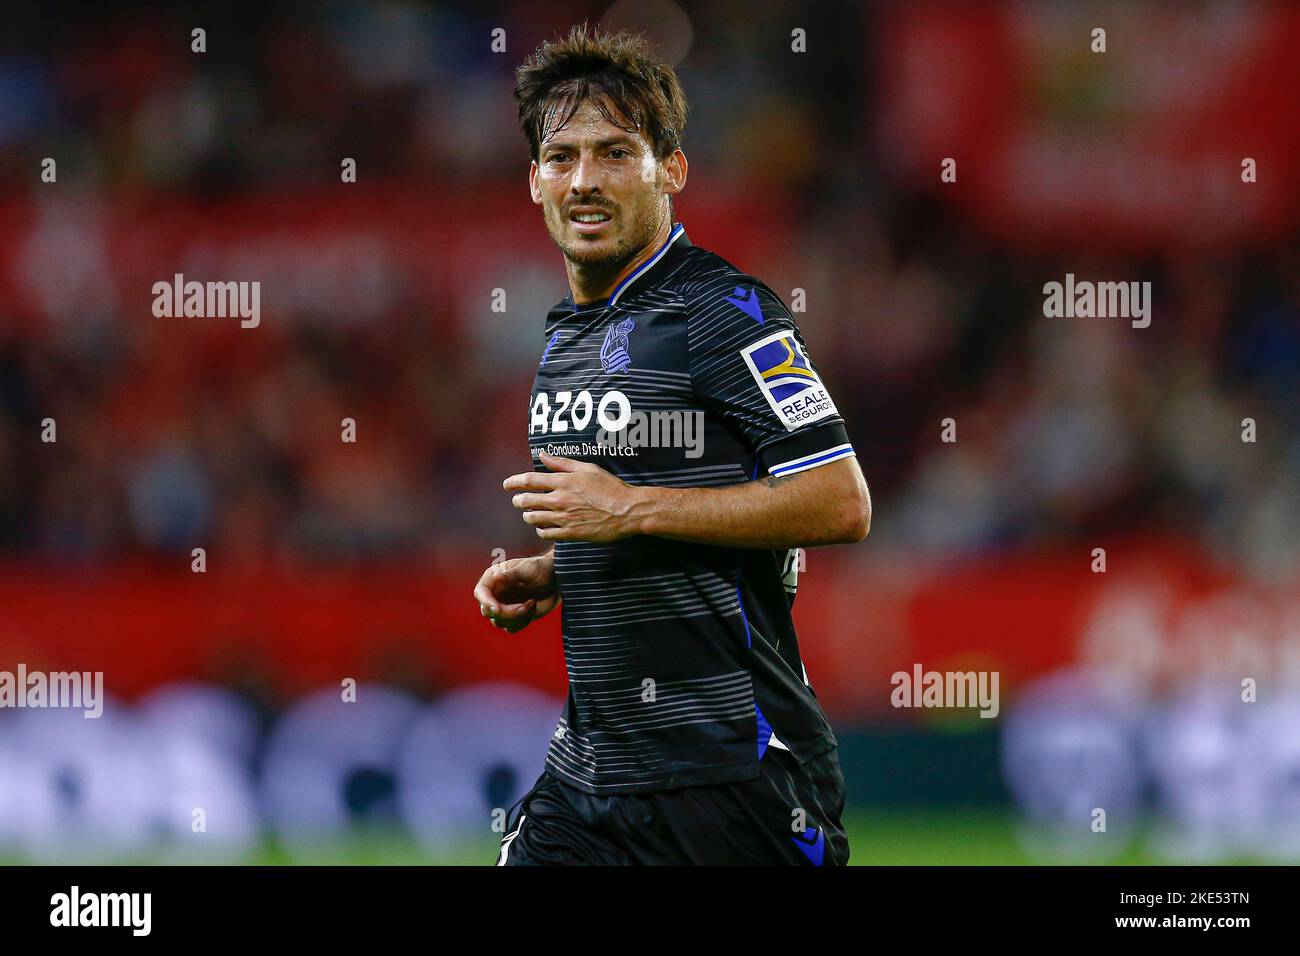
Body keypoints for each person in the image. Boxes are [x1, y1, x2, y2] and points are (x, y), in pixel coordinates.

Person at [474, 23, 870, 865]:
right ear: (534, 181)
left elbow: (840, 500)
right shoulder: (563, 339)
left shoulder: (723, 311)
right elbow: (658, 515)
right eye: (563, 157)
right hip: (592, 776)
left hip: (732, 777)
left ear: (673, 171)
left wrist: (628, 510)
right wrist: (564, 568)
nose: (585, 180)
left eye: (616, 153)